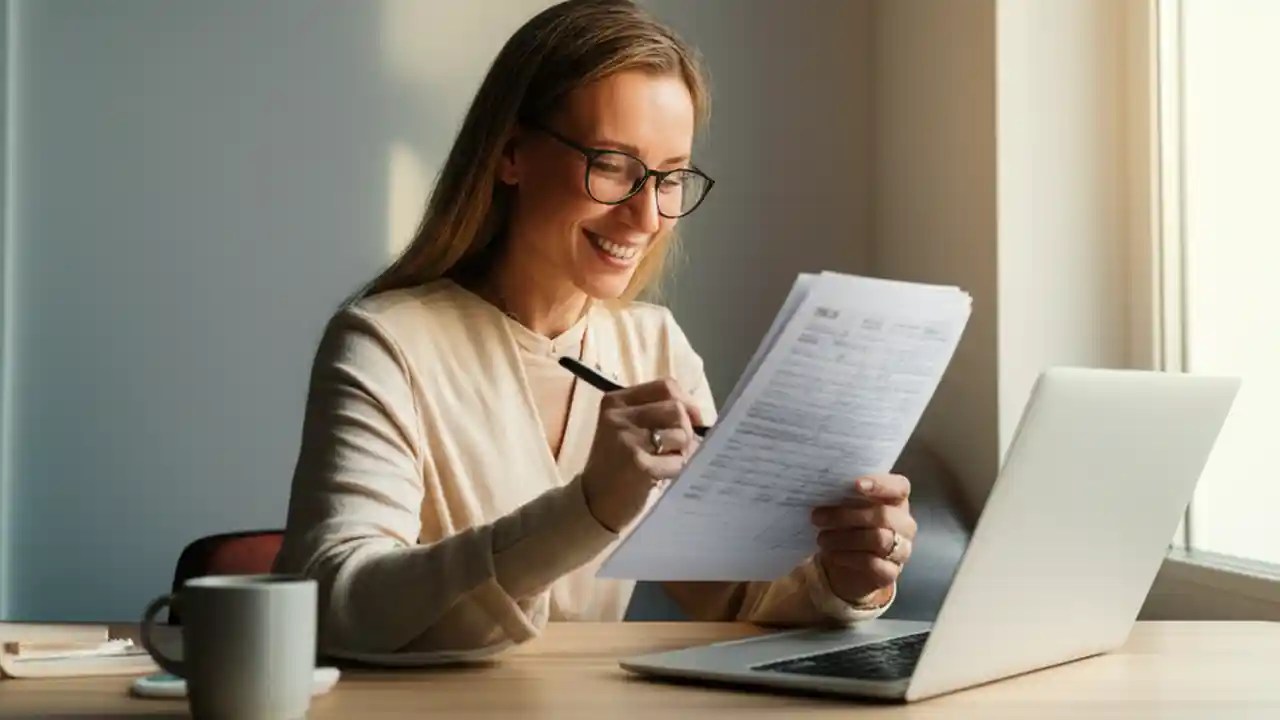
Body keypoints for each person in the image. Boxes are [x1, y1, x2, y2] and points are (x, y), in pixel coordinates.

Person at [273, 0, 917, 659]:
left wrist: (844, 580)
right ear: (512, 153)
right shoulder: (385, 343)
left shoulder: (653, 346)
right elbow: (334, 599)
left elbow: (732, 595)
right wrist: (588, 510)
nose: (646, 216)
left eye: (671, 177)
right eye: (612, 164)